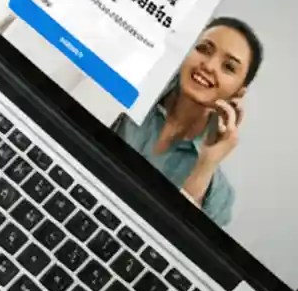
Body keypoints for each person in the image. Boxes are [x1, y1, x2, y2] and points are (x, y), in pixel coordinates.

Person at [111, 17, 263, 227]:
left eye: (228, 66)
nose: (209, 65)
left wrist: (206, 164)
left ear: (238, 93)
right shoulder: (132, 91)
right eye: (203, 49)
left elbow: (167, 241)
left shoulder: (218, 197)